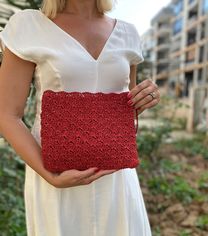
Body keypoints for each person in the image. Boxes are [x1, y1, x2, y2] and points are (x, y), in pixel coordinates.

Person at [0, 0, 160, 235]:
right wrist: (50, 175)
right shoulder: (30, 25)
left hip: (115, 175)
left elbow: (125, 109)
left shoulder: (128, 34)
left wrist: (145, 98)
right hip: (55, 171)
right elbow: (6, 113)